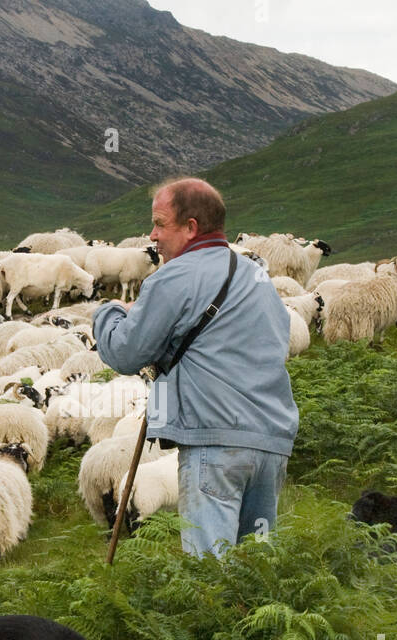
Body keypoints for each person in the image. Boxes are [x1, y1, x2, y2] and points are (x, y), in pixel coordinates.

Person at [91, 177, 299, 557]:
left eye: (159, 223)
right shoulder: (258, 278)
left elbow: (125, 353)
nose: (152, 235)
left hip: (215, 444)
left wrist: (108, 313)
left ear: (190, 227)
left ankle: (212, 620)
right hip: (270, 441)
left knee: (210, 571)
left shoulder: (174, 277)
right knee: (257, 564)